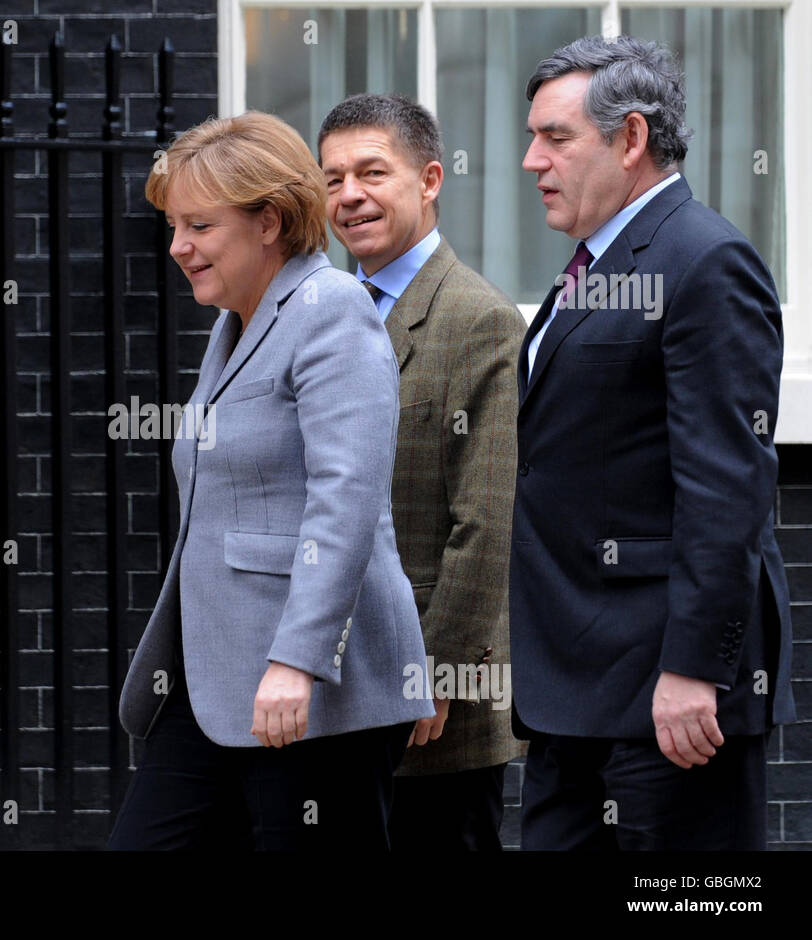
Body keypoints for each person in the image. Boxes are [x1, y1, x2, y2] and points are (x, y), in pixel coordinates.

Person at [110, 112, 433, 851]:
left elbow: (346, 499)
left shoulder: (331, 309)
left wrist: (296, 660)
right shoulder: (235, 328)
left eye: (198, 226)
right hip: (215, 682)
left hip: (312, 691)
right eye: (174, 226)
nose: (178, 247)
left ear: (270, 222)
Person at [512, 35, 795, 850]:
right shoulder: (595, 261)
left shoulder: (705, 261)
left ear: (630, 139)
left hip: (667, 695)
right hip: (574, 685)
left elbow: (728, 486)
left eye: (555, 137)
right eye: (532, 136)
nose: (532, 160)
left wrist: (694, 669)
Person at [318, 93, 527, 851]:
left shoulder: (478, 317)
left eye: (373, 172)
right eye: (333, 178)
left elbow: (488, 520)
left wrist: (428, 671)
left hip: (434, 704)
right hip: (332, 684)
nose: (349, 196)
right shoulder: (327, 311)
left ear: (430, 179)